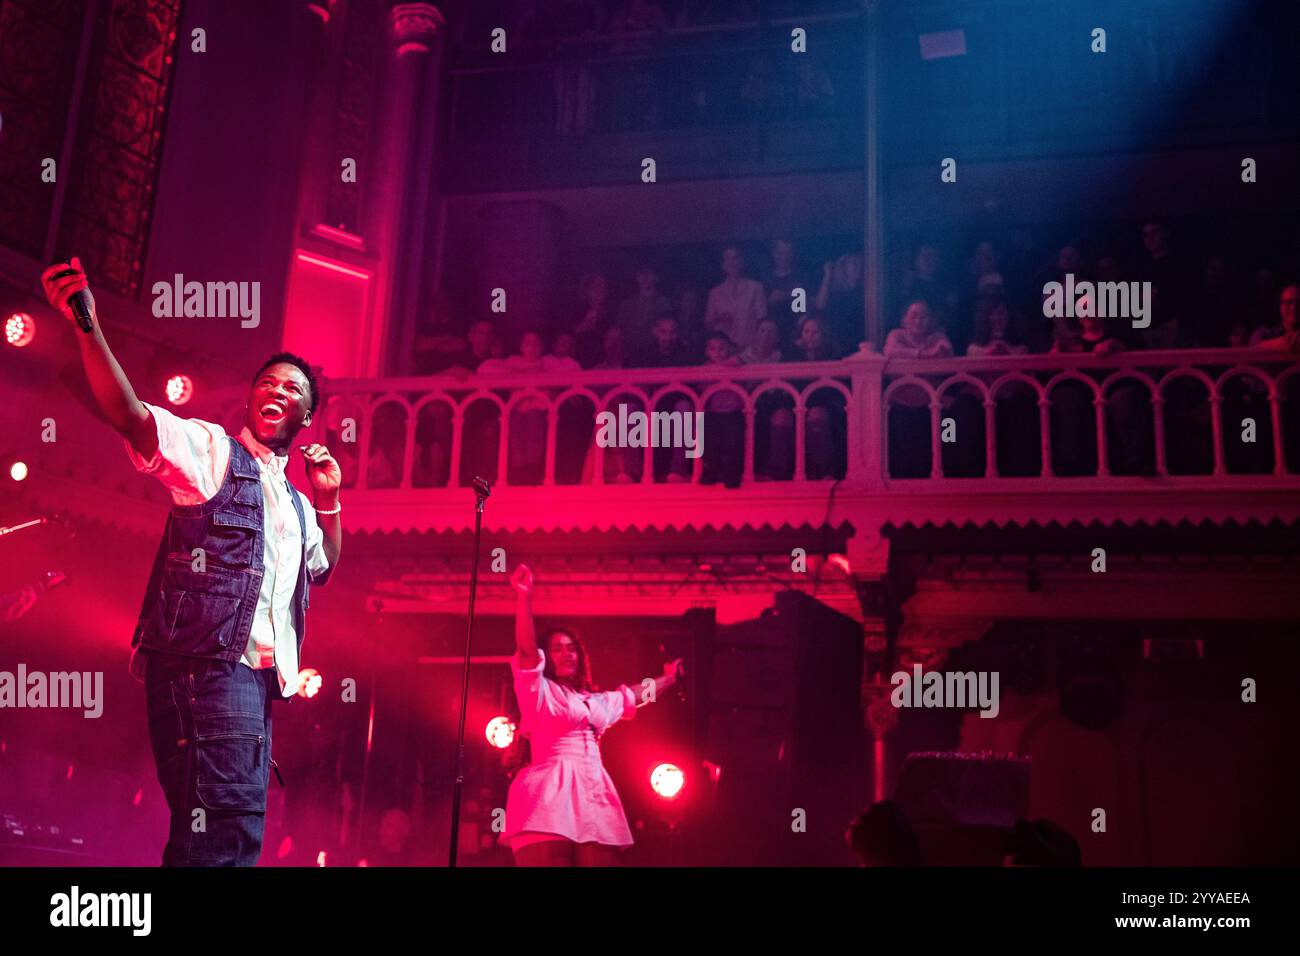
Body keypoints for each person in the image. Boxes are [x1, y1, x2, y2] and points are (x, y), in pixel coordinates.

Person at [41, 258, 343, 867]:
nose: (276, 391)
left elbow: (325, 565)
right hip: (207, 668)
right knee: (224, 839)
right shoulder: (210, 451)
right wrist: (88, 327)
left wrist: (332, 501)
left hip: (255, 684)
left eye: (292, 389)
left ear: (308, 417)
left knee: (221, 841)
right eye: (267, 382)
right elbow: (130, 415)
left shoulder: (296, 502)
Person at [502, 564, 681, 866]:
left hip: (594, 795)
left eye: (571, 648)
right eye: (557, 649)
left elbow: (633, 695)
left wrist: (669, 679)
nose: (566, 653)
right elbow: (526, 650)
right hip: (548, 795)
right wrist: (524, 598)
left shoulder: (595, 701)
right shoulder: (539, 692)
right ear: (547, 656)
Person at [704, 245, 766, 353]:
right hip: (723, 352)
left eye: (735, 258)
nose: (731, 262)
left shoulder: (756, 288)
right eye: (727, 258)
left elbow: (762, 320)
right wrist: (719, 318)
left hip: (750, 349)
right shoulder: (715, 293)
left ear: (742, 261)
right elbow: (708, 324)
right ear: (723, 264)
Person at [884, 300, 954, 358]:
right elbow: (890, 351)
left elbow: (947, 351)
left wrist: (942, 350)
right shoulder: (896, 335)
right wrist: (924, 354)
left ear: (931, 320)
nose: (918, 321)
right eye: (913, 316)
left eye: (923, 317)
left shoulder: (937, 337)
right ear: (903, 320)